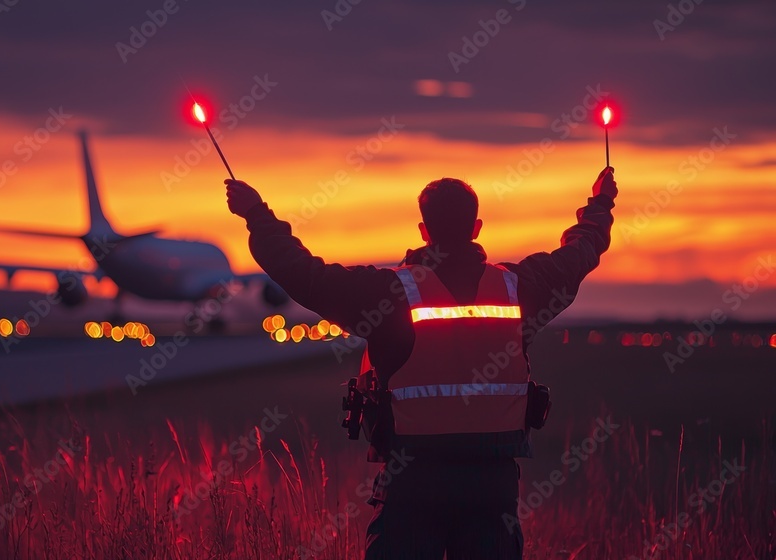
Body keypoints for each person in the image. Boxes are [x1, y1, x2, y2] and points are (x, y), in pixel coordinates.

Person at [225, 166, 617, 559]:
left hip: (411, 482)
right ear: (476, 227)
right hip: (493, 484)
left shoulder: (390, 294)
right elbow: (579, 253)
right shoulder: (519, 288)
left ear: (424, 230)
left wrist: (256, 215)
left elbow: (302, 273)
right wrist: (600, 204)